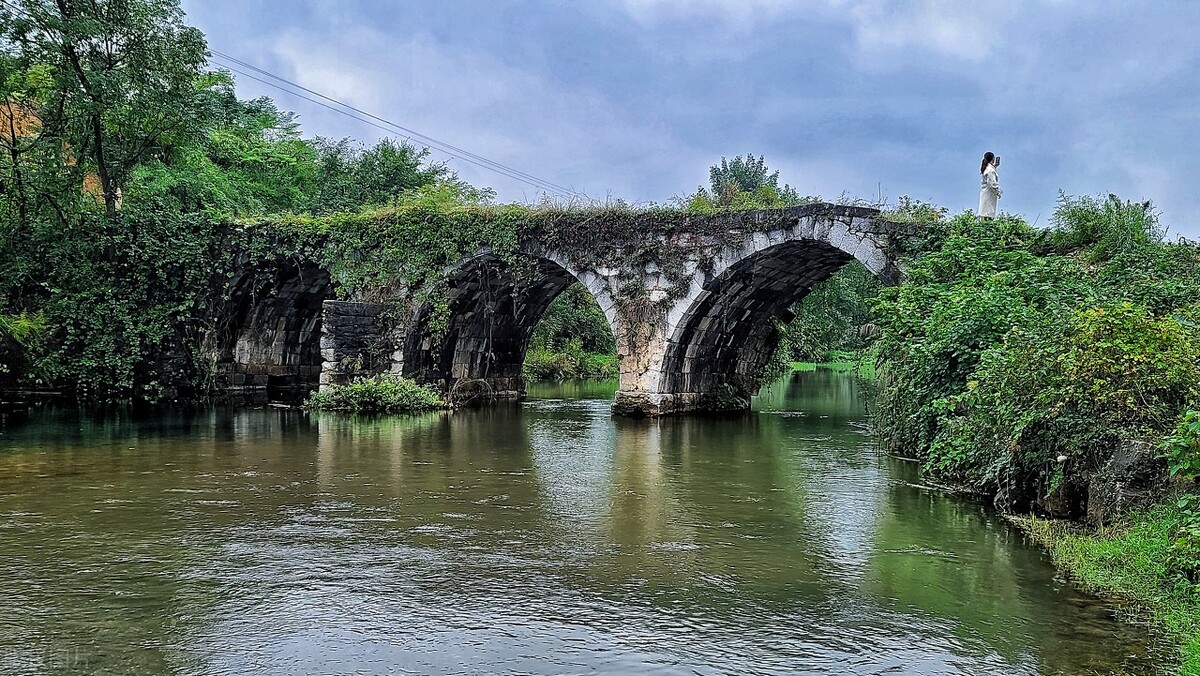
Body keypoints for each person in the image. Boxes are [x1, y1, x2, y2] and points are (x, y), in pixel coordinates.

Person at [978, 151, 1001, 219]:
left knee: (984, 212)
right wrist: (998, 192)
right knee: (988, 213)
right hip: (989, 193)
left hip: (985, 193)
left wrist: (994, 167)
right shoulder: (991, 170)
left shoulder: (987, 168)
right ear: (993, 159)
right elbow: (992, 183)